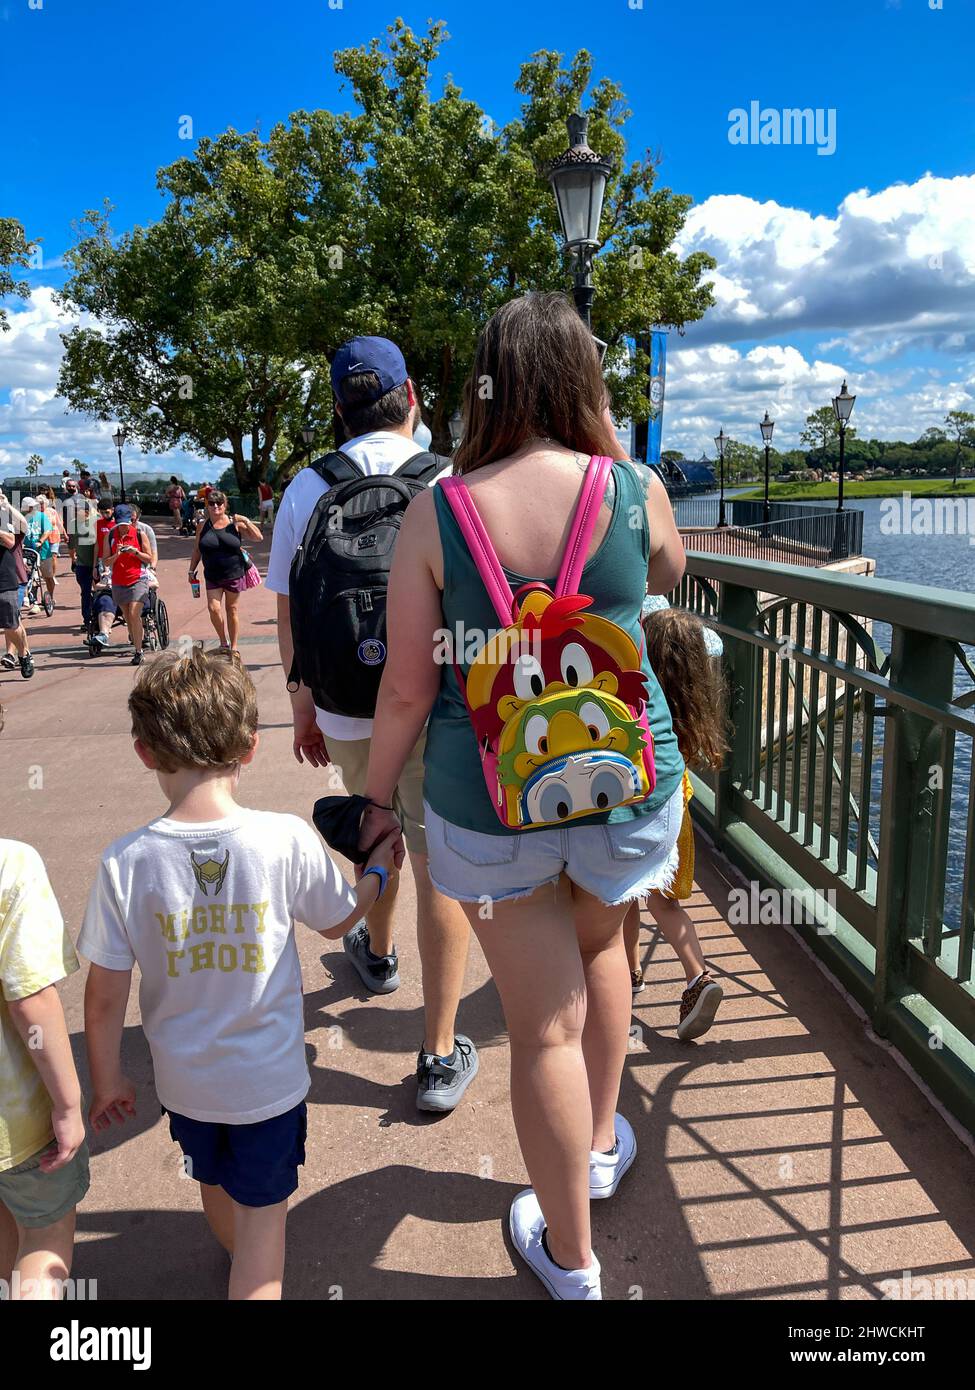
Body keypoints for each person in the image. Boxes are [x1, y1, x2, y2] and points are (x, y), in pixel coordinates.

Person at [359, 292, 687, 1299]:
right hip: (626, 780)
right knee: (605, 947)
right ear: (584, 380)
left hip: (488, 796)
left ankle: (574, 1262)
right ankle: (598, 1143)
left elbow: (412, 683)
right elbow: (673, 575)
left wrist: (376, 800)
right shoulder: (636, 485)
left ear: (484, 388)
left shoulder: (439, 509)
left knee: (539, 1022)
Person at [79, 648, 400, 1301]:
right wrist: (375, 875)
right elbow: (339, 922)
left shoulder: (125, 862)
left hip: (184, 1084)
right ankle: (250, 1268)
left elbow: (105, 994)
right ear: (250, 747)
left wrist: (108, 1079)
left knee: (213, 1180)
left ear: (145, 752)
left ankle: (235, 1252)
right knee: (264, 1247)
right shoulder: (282, 839)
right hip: (267, 1084)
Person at [266, 335, 477, 1114]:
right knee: (439, 861)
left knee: (374, 824)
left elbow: (287, 608)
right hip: (443, 701)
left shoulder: (303, 488)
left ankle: (378, 955)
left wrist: (299, 702)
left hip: (347, 704)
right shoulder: (449, 481)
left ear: (335, 409)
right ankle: (435, 1053)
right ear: (412, 395)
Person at [0, 704, 90, 1299]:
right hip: (19, 1125)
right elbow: (31, 998)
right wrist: (68, 1103)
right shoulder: (11, 865)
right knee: (44, 1240)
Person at [622, 604, 728, 1040]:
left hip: (633, 813)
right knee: (665, 903)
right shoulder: (687, 708)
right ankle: (696, 974)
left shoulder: (635, 699)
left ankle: (627, 975)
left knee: (621, 895)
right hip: (676, 809)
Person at [189, 492, 262, 654]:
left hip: (234, 574)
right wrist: (191, 569)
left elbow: (258, 537)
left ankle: (234, 647)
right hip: (212, 575)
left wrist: (246, 521)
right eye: (212, 503)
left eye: (219, 503)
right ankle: (223, 642)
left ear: (225, 505)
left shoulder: (233, 524)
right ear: (207, 505)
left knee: (232, 609)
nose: (216, 506)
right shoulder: (202, 526)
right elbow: (196, 550)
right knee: (213, 609)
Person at [100, 503, 152, 666]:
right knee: (128, 617)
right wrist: (117, 554)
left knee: (134, 612)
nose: (123, 528)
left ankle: (138, 651)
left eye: (125, 524)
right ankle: (136, 639)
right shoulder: (110, 535)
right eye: (120, 524)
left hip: (137, 578)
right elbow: (106, 562)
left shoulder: (139, 533)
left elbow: (148, 557)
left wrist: (135, 552)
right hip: (119, 580)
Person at [0, 499, 33, 679]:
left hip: (5, 578)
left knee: (11, 624)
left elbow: (11, 540)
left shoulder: (4, 515)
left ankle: (23, 653)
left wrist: (5, 505)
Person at [66, 491, 99, 634]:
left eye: (77, 511)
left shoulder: (96, 521)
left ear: (86, 512)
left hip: (97, 563)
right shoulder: (73, 523)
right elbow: (71, 544)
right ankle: (87, 620)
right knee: (85, 592)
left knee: (100, 591)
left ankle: (100, 616)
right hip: (82, 564)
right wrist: (72, 558)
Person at [22, 497, 56, 611]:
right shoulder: (21, 518)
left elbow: (47, 531)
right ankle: (34, 602)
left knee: (48, 577)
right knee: (32, 577)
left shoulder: (41, 516)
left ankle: (50, 597)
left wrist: (40, 541)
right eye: (30, 506)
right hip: (28, 552)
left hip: (43, 551)